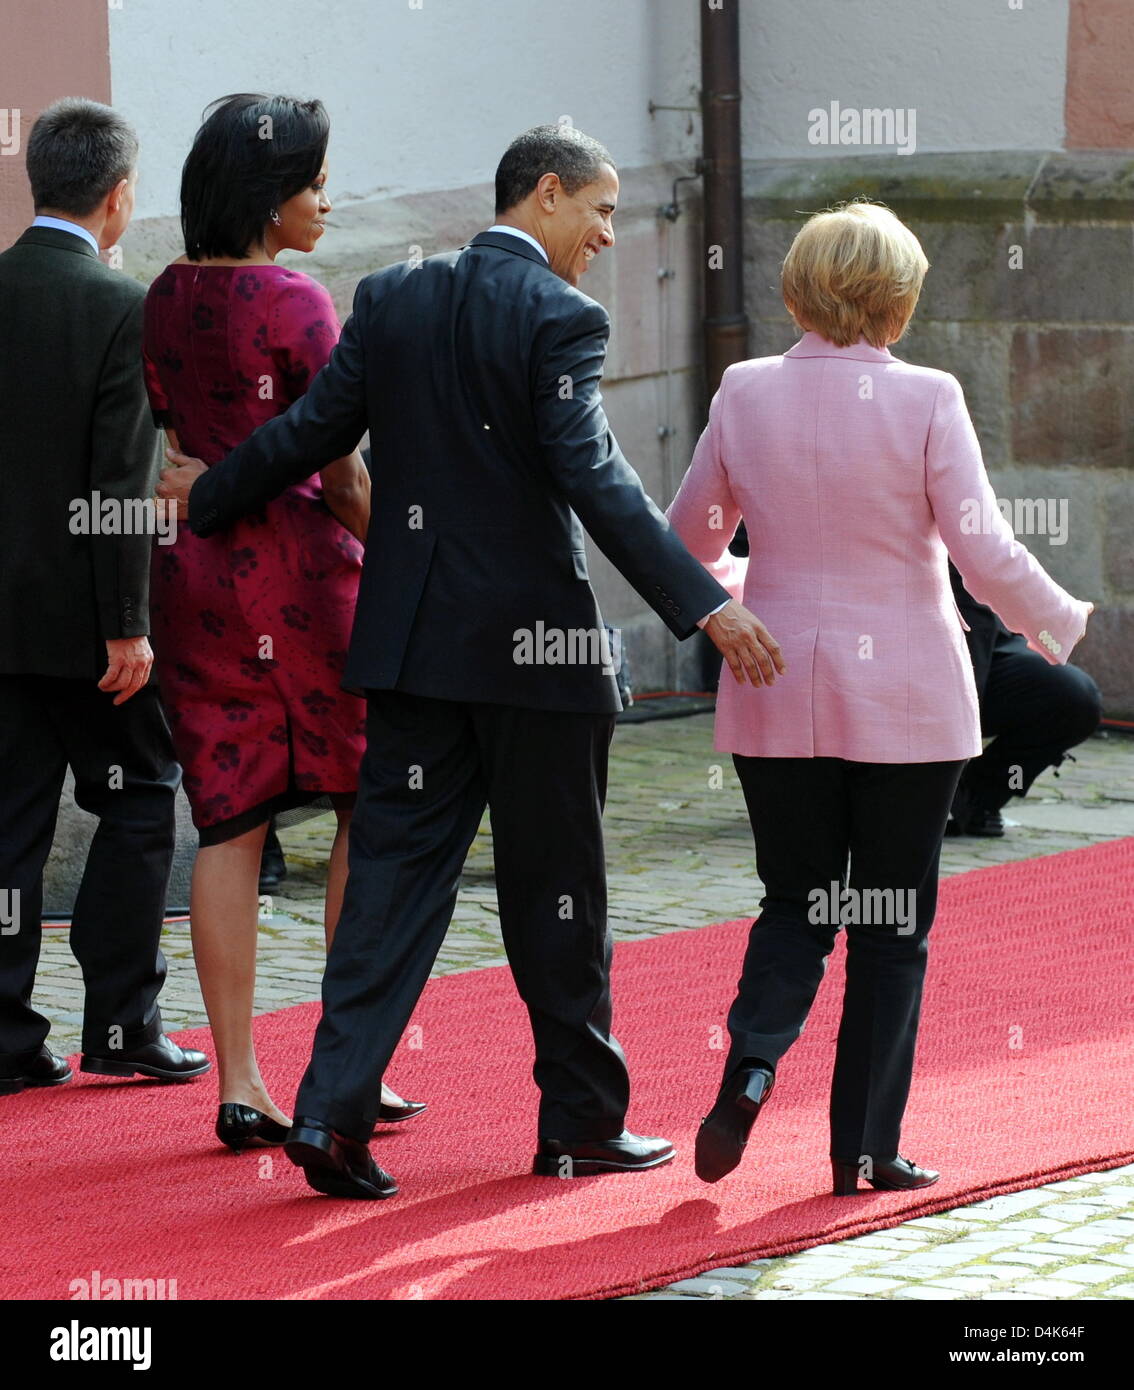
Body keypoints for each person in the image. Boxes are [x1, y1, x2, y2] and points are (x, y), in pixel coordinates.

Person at [159, 122, 783, 1198]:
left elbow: (311, 432)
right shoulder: (558, 315)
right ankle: (581, 1125)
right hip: (537, 663)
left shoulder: (394, 300)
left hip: (409, 653)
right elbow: (595, 480)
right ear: (545, 195)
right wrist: (704, 609)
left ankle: (329, 1114)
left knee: (393, 891)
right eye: (599, 209)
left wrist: (203, 497)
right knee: (559, 896)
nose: (606, 234)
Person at [667, 200, 1092, 1196]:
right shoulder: (929, 397)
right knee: (891, 924)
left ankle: (754, 1063)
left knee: (794, 904)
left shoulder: (744, 391)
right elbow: (983, 550)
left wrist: (738, 602)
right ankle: (863, 1148)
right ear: (899, 299)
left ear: (798, 292)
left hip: (777, 689)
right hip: (906, 696)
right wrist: (1062, 621)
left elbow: (688, 540)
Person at [143, 94, 419, 1152]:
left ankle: (241, 1078)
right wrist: (398, 551)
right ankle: (348, 1070)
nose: (326, 199)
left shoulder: (162, 293)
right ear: (269, 196)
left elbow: (182, 451)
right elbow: (342, 468)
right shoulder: (298, 300)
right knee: (364, 806)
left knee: (228, 822)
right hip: (306, 581)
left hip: (199, 578)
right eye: (312, 182)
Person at [0, 98, 207, 1095]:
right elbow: (122, 481)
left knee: (5, 827)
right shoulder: (122, 306)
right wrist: (129, 625)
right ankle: (122, 1023)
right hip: (89, 627)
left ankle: (3, 1038)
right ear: (120, 196)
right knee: (134, 803)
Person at [947, 563, 1102, 836]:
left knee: (1073, 695)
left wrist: (1060, 614)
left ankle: (973, 798)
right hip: (883, 647)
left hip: (980, 635)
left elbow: (993, 553)